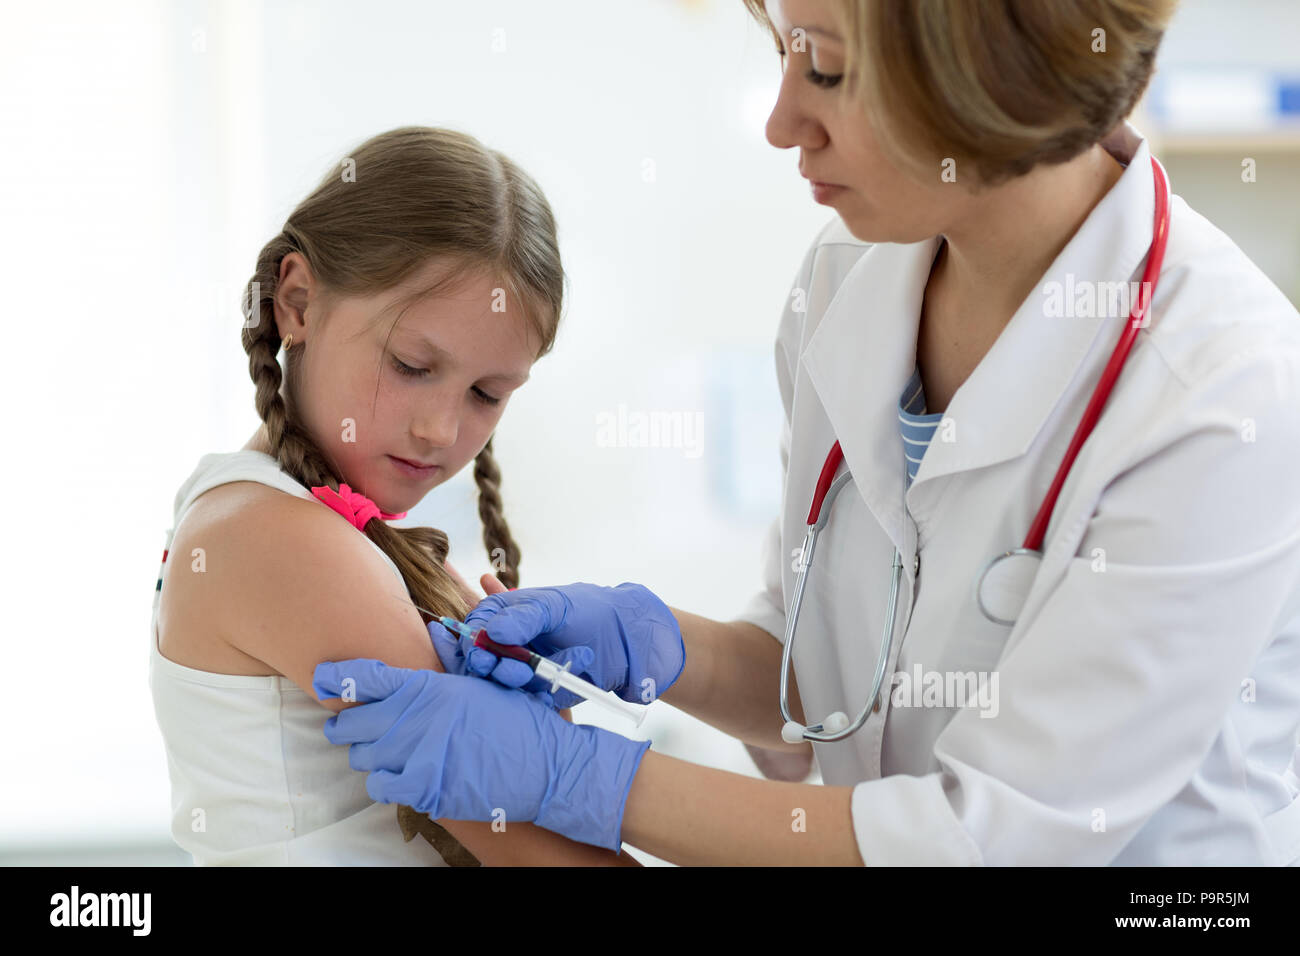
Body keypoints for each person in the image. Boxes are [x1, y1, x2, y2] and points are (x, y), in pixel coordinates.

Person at [313, 0, 1300, 865]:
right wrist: (651, 644)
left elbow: (976, 841)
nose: (784, 121)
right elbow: (817, 687)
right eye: (783, 54)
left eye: (824, 67)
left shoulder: (1220, 388)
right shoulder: (846, 278)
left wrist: (572, 775)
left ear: (990, 78)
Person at [151, 126, 640, 866]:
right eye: (412, 364)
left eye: (486, 393)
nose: (440, 429)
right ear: (298, 302)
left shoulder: (305, 525)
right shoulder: (281, 539)